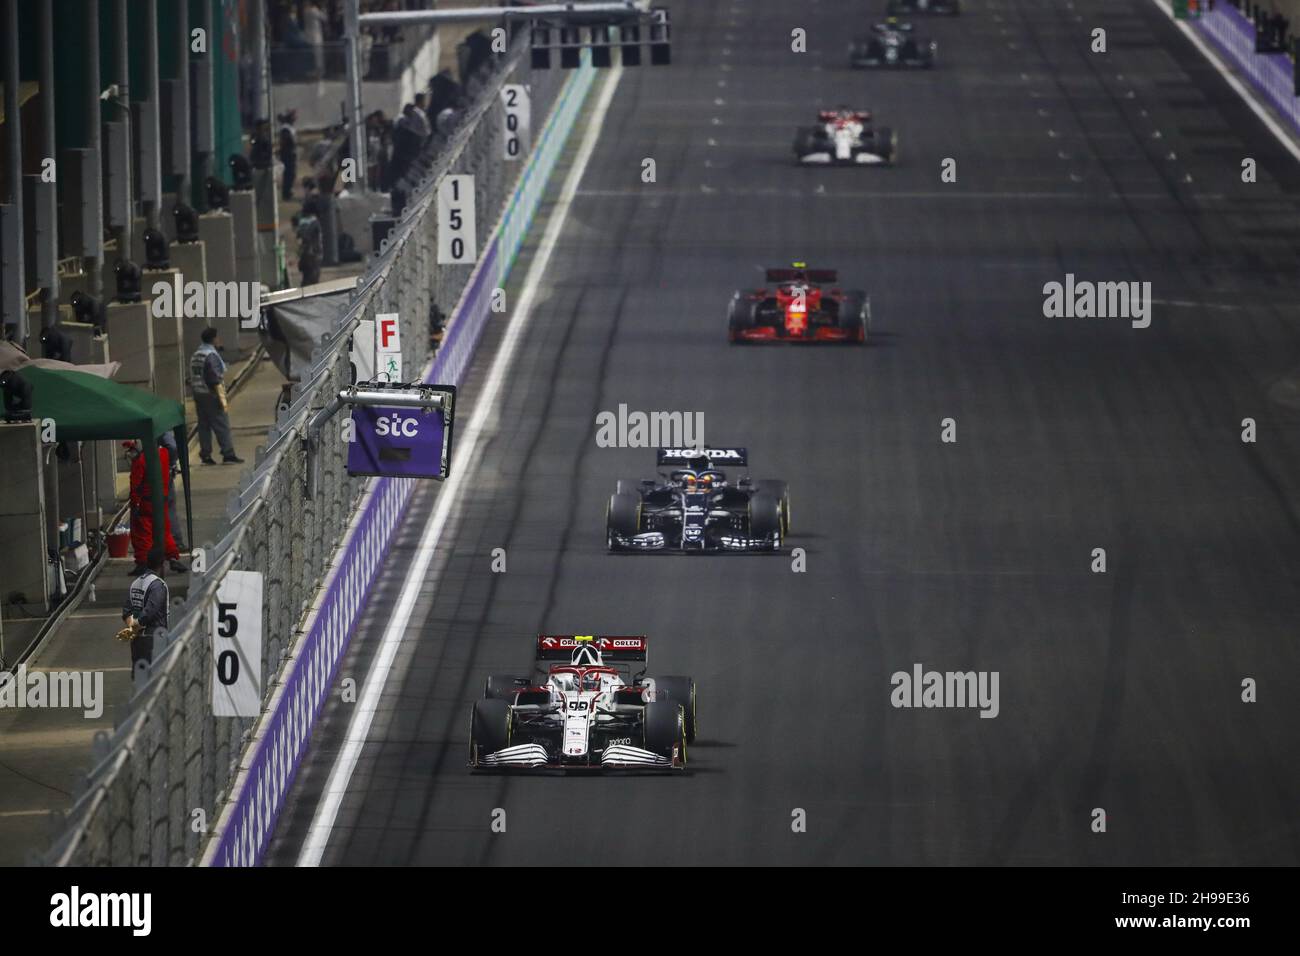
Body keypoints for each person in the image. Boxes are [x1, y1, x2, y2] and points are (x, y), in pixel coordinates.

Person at [125, 440, 187, 574]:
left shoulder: (140, 461)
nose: (130, 454)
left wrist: (135, 504)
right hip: (161, 500)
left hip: (145, 503)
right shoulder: (164, 453)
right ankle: (173, 558)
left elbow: (135, 486)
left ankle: (142, 562)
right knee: (164, 530)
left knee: (143, 533)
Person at [190, 327, 244, 465]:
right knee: (221, 424)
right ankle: (228, 454)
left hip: (198, 393)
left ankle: (206, 455)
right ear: (214, 339)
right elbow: (214, 377)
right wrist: (221, 396)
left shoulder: (197, 354)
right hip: (211, 394)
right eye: (217, 337)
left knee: (204, 426)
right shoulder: (210, 355)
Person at [120, 550, 169, 667]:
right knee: (157, 677)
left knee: (139, 676)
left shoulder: (136, 582)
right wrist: (136, 626)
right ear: (162, 565)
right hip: (155, 638)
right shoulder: (158, 585)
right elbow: (149, 612)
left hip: (137, 640)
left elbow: (127, 610)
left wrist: (132, 629)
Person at [296, 196, 324, 287]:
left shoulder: (302, 221)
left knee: (305, 279)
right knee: (313, 280)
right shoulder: (314, 222)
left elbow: (299, 236)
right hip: (314, 254)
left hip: (304, 254)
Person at [278, 109, 298, 201]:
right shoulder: (286, 128)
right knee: (289, 174)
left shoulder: (290, 127)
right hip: (287, 154)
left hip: (291, 153)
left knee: (291, 173)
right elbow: (286, 140)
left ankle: (288, 191)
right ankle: (286, 193)